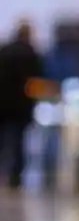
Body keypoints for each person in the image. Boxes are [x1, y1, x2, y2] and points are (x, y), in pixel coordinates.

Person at [0, 20, 45, 189]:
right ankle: (15, 177)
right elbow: (36, 81)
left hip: (2, 105)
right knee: (18, 141)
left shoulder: (4, 51)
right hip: (21, 106)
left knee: (3, 139)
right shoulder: (31, 54)